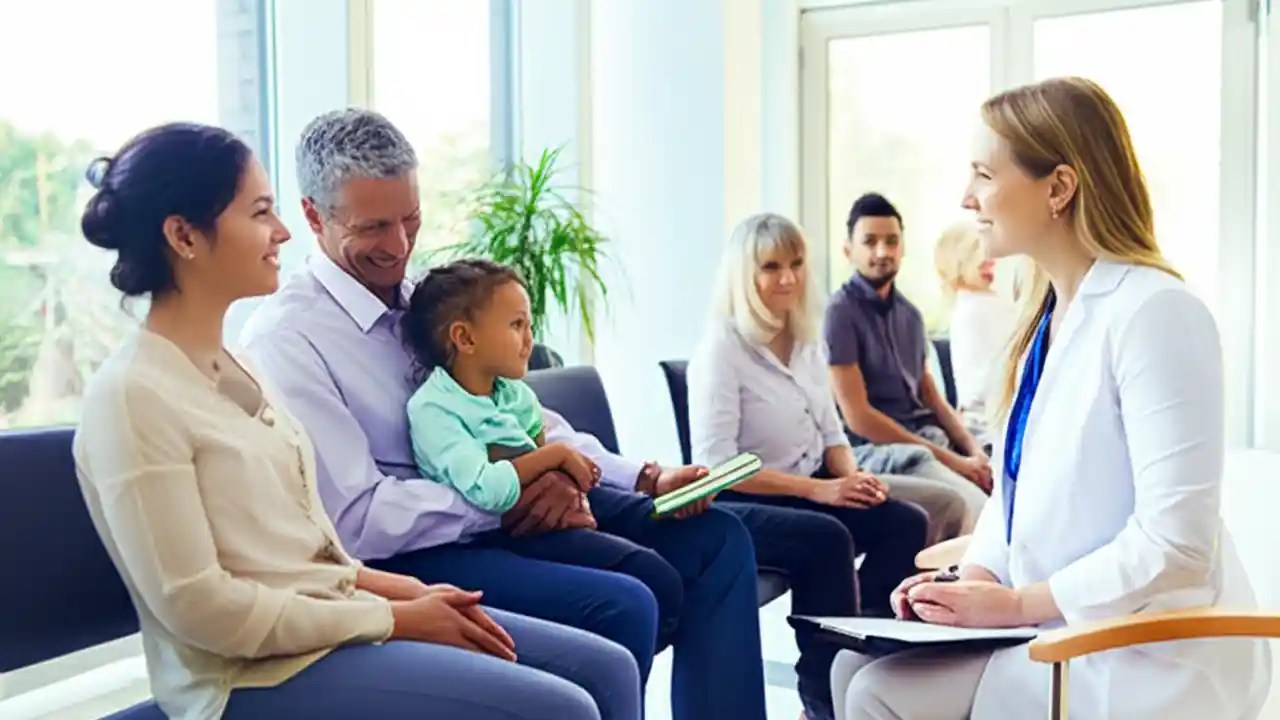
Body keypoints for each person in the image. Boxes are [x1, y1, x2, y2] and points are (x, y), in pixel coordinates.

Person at [71, 123, 640, 720]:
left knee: (607, 667)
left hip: (332, 622)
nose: (284, 231)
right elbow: (205, 611)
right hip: (249, 675)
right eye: (261, 212)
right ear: (184, 235)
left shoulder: (234, 366)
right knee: (562, 708)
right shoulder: (135, 396)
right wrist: (393, 616)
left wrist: (413, 594)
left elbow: (312, 552)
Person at [240, 108, 766, 720]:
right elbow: (356, 518)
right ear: (313, 216)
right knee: (622, 604)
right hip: (417, 551)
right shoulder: (288, 339)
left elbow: (529, 417)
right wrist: (506, 495)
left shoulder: (427, 300)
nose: (400, 245)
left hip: (501, 509)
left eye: (409, 219)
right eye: (374, 227)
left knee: (716, 539)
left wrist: (639, 476)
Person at [832, 77, 1271, 720]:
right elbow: (1014, 498)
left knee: (876, 690)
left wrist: (1015, 605)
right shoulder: (1045, 322)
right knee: (852, 665)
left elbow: (1177, 545)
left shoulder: (1156, 314)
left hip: (1142, 652)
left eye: (984, 174)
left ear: (1059, 189)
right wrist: (975, 579)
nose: (966, 197)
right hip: (1055, 628)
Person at [687, 212, 959, 720]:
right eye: (771, 267)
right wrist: (820, 493)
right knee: (826, 537)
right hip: (739, 500)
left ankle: (871, 654)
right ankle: (822, 695)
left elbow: (832, 432)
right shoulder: (721, 351)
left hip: (806, 485)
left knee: (905, 522)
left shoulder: (806, 337)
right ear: (744, 275)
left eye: (795, 264)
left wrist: (850, 476)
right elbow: (718, 466)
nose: (787, 278)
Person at [825, 193, 990, 524]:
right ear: (848, 249)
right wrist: (955, 462)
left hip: (929, 441)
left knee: (1009, 490)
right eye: (869, 242)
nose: (882, 252)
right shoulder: (839, 314)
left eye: (891, 241)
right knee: (976, 507)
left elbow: (929, 394)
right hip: (878, 452)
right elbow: (858, 418)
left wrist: (973, 452)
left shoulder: (911, 315)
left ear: (902, 247)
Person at [933, 221, 1016, 433]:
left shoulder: (991, 302)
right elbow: (981, 387)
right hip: (988, 423)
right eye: (980, 261)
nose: (991, 264)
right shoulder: (973, 310)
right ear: (958, 264)